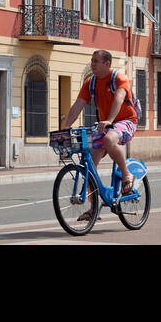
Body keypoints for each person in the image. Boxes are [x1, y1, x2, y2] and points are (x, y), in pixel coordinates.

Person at [60, 50, 138, 219]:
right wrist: (66, 127)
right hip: (105, 125)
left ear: (106, 64)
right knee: (89, 164)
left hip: (126, 121)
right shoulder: (91, 83)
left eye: (96, 61)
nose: (92, 64)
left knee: (110, 140)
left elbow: (119, 98)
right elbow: (78, 105)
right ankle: (93, 208)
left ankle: (126, 174)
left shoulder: (119, 78)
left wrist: (110, 120)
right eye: (91, 60)